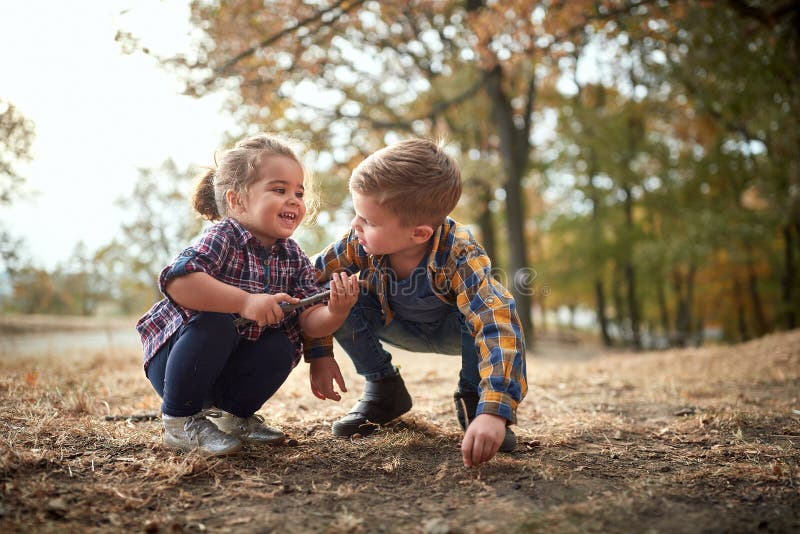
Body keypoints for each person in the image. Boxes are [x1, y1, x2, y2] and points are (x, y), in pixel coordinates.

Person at [306, 138, 528, 468]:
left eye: (369, 221)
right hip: (397, 324)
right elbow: (309, 281)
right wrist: (319, 353)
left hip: (454, 332)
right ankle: (384, 388)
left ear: (419, 234)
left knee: (487, 307)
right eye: (356, 215)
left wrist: (495, 411)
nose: (355, 225)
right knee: (338, 290)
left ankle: (475, 402)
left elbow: (497, 323)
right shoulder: (358, 241)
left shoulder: (459, 253)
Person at [136, 133, 360, 457]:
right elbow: (178, 283)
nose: (294, 200)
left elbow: (310, 323)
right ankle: (180, 421)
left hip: (227, 367)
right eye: (279, 190)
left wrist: (336, 311)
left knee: (281, 345)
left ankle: (233, 416)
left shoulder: (293, 256)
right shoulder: (224, 236)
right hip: (178, 363)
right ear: (238, 201)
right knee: (217, 322)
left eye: (299, 193)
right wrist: (245, 302)